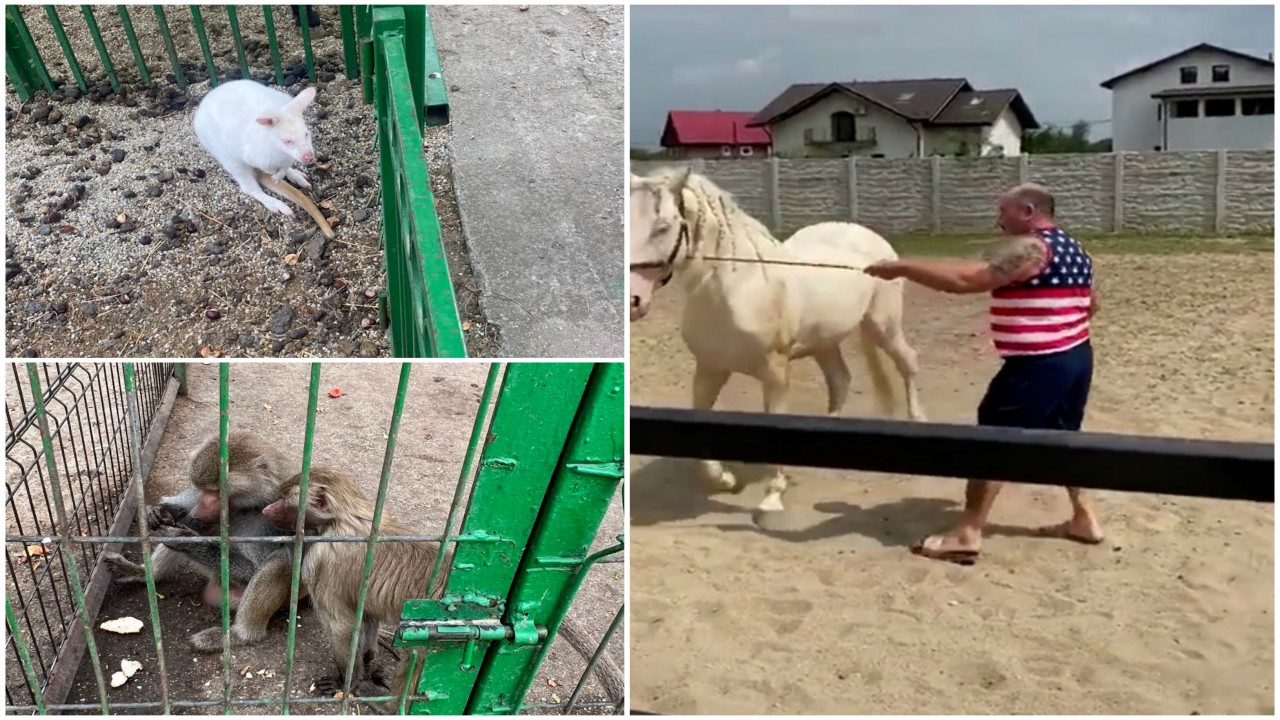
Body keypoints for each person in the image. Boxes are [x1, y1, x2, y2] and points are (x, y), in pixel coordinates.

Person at [863, 183, 1103, 565]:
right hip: (1075, 356)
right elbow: (1092, 306)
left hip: (1038, 365)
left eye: (1004, 211)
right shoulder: (1076, 249)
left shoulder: (1033, 247)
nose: (998, 219)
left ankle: (967, 533)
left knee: (992, 442)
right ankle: (1084, 518)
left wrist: (902, 267)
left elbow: (965, 281)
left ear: (1027, 211)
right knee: (1064, 437)